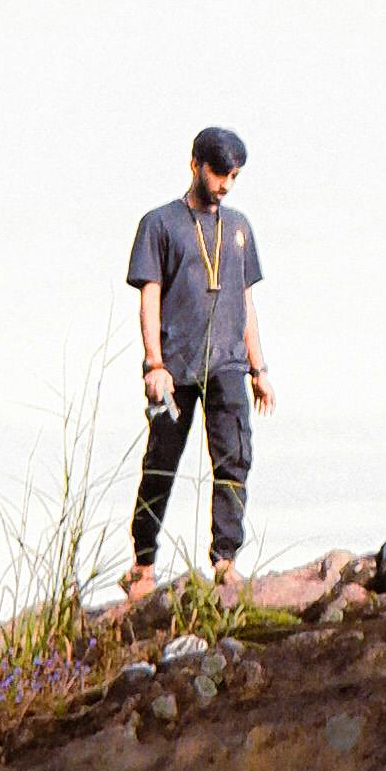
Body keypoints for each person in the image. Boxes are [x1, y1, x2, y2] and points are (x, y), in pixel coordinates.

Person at [126, 124, 276, 583]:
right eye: (218, 174)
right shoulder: (159, 223)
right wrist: (154, 364)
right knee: (161, 463)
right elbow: (149, 296)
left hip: (229, 363)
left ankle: (225, 560)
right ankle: (143, 563)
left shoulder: (239, 227)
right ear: (195, 165)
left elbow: (245, 301)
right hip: (175, 367)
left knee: (234, 459)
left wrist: (259, 367)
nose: (225, 185)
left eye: (233, 176)